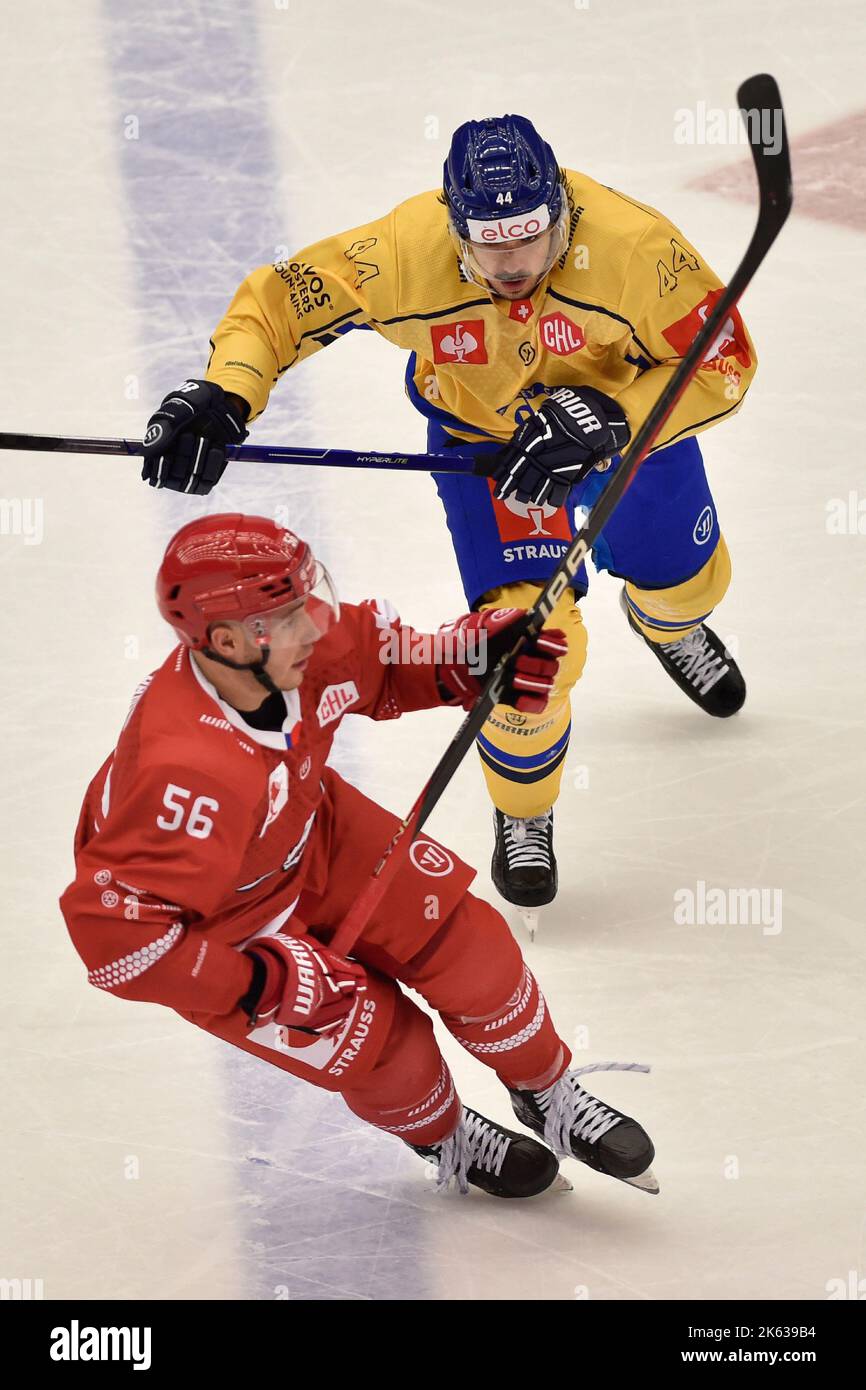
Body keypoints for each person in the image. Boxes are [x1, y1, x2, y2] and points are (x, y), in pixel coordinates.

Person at [139, 114, 756, 928]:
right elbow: (282, 301)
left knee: (688, 583)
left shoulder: (638, 250)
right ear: (454, 225)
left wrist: (616, 415)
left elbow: (726, 362)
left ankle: (666, 622)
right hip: (492, 460)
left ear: (563, 213)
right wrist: (228, 390)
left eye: (529, 237)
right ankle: (524, 806)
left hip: (630, 438)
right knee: (527, 657)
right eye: (488, 242)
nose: (511, 263)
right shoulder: (402, 250)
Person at [59, 513, 656, 1200]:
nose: (314, 624)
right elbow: (116, 938)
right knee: (387, 1053)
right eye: (288, 616)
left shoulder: (289, 648)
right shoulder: (189, 777)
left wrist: (472, 660)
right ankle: (442, 1133)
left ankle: (546, 1092)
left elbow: (382, 666)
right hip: (226, 922)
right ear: (227, 641)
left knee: (475, 953)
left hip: (312, 830)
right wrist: (253, 983)